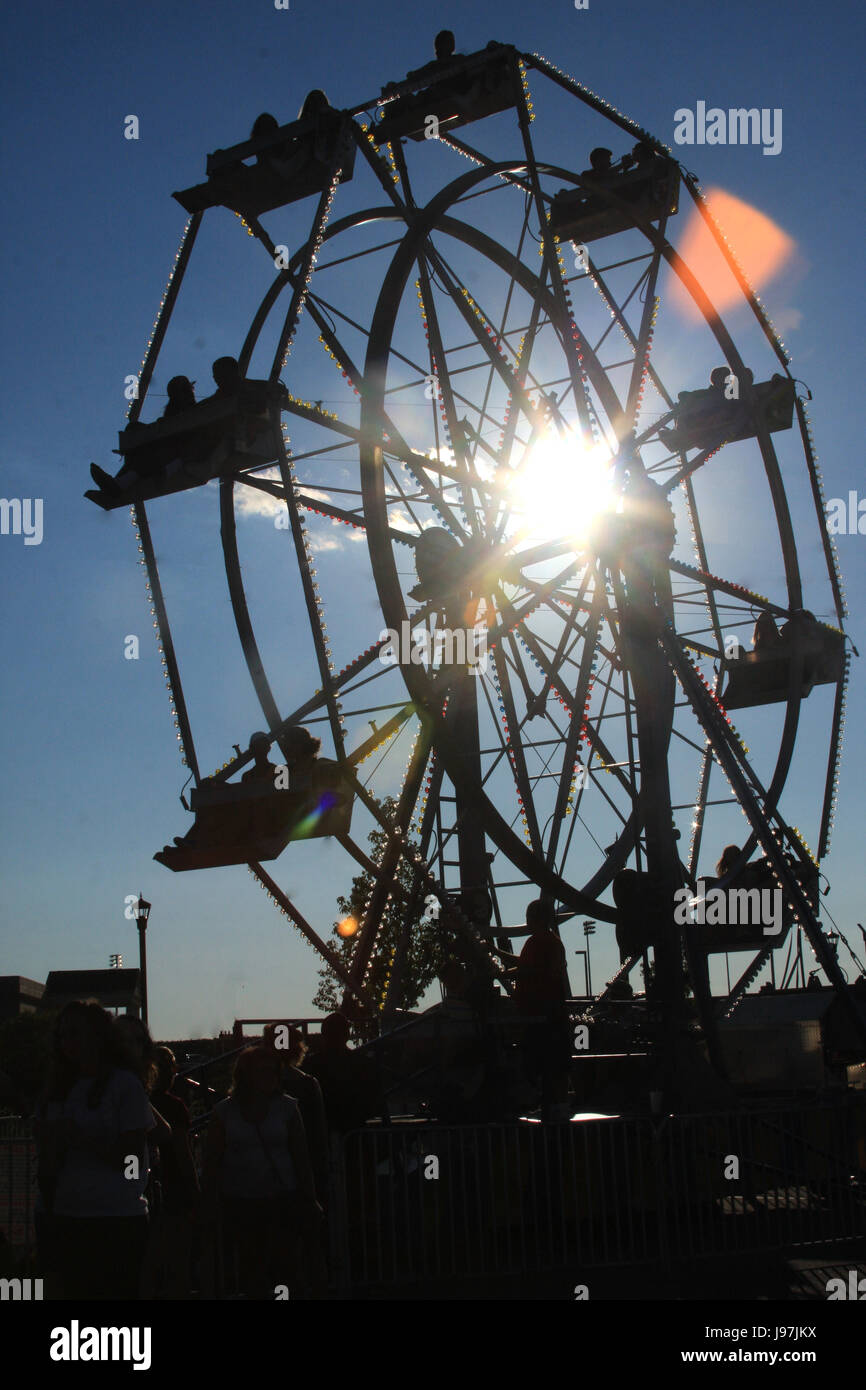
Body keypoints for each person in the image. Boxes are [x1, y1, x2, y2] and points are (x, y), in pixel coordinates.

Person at [34, 1001, 155, 1300]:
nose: (68, 1043)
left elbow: (131, 1160)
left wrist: (82, 1140)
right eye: (63, 1036)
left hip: (115, 1217)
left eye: (75, 1034)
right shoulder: (58, 1087)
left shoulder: (124, 1085)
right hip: (63, 1214)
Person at [201, 1046, 320, 1299]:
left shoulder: (287, 1108)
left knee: (285, 1267)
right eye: (262, 1072)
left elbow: (301, 1156)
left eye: (272, 1072)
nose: (269, 1077)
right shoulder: (224, 1112)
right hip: (241, 1201)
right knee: (251, 1269)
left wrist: (309, 1197)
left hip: (281, 1197)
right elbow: (212, 1160)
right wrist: (210, 1201)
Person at [514, 899, 572, 1119]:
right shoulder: (552, 943)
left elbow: (530, 972)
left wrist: (505, 973)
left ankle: (551, 1106)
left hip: (542, 1015)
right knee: (552, 1064)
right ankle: (556, 1106)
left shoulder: (540, 943)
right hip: (550, 1014)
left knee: (545, 1063)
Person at [307, 1014, 380, 1135]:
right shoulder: (362, 1063)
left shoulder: (311, 1064)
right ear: (347, 1034)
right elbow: (373, 1100)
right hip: (355, 1130)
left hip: (325, 1129)